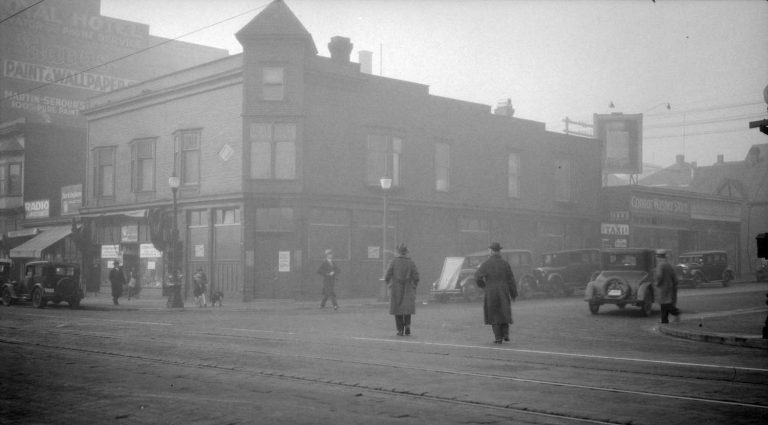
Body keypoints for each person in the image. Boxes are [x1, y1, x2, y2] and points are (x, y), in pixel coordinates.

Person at [474, 242, 517, 344]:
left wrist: (483, 285)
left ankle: (498, 337)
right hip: (503, 290)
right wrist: (513, 293)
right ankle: (506, 334)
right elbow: (511, 279)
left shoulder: (486, 264)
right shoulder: (505, 264)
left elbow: (477, 276)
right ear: (499, 251)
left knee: (494, 314)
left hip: (491, 291)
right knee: (504, 312)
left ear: (492, 251)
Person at [385, 243, 420, 336]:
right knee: (407, 309)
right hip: (408, 288)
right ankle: (407, 326)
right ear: (406, 252)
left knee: (398, 310)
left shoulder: (393, 262)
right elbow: (416, 276)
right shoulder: (411, 262)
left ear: (398, 252)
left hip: (396, 288)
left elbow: (387, 275)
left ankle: (400, 330)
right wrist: (414, 285)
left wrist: (389, 284)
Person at [655, 250, 681, 324]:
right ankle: (664, 320)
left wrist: (657, 283)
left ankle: (676, 312)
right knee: (664, 303)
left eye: (657, 257)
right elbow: (674, 276)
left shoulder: (660, 265)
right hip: (669, 286)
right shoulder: (668, 265)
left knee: (665, 304)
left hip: (662, 287)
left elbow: (659, 276)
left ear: (658, 257)